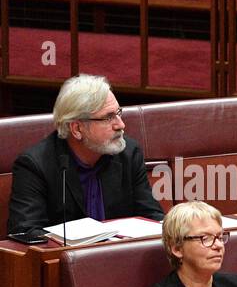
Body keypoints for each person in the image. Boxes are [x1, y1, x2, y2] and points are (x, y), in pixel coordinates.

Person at [6, 74, 163, 236]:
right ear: (77, 129)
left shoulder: (128, 154)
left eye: (118, 113)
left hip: (120, 257)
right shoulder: (35, 166)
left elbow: (151, 216)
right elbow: (25, 232)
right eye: (108, 117)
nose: (120, 124)